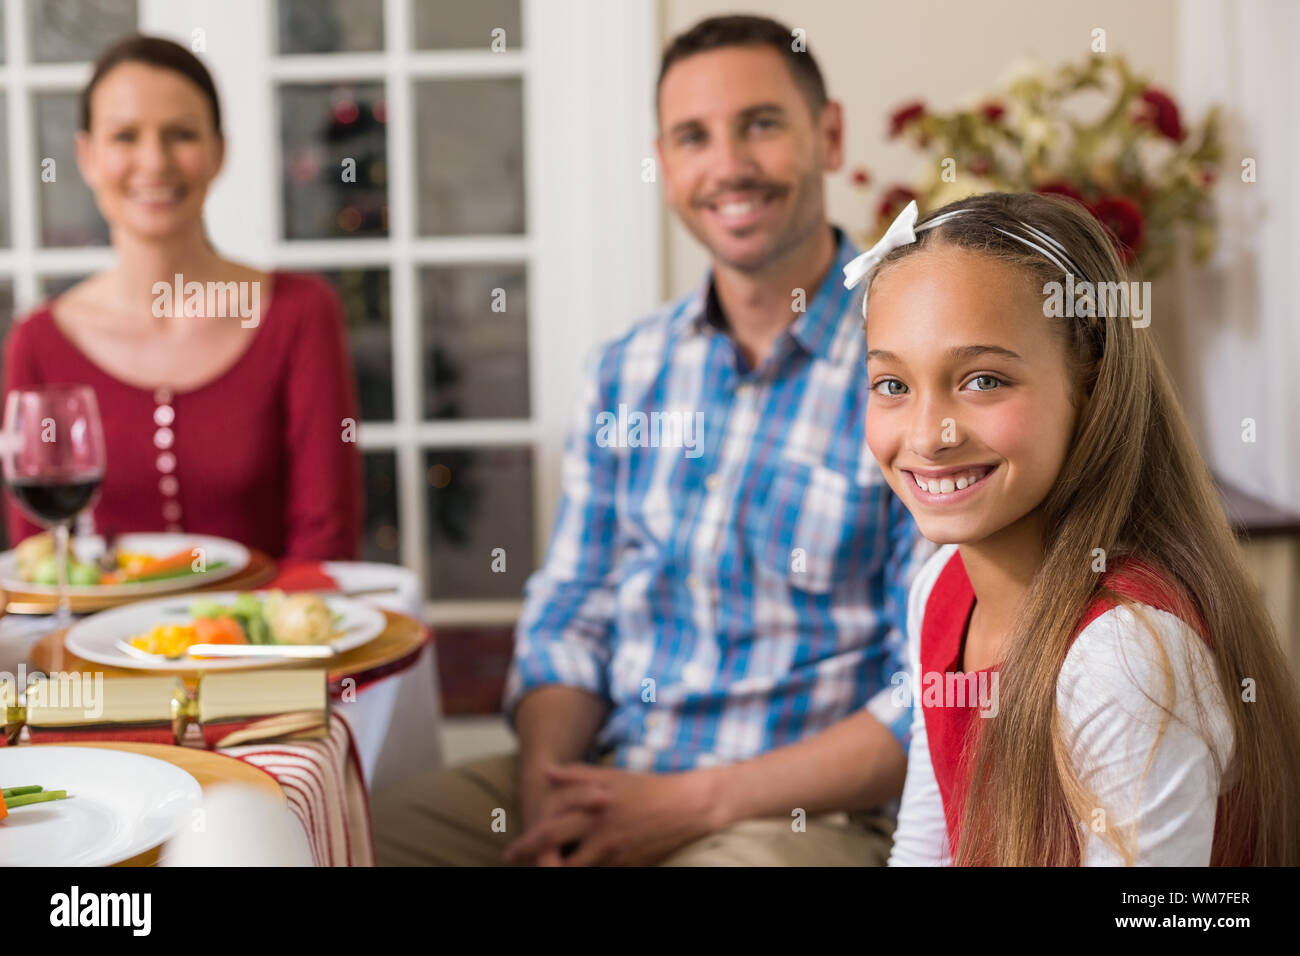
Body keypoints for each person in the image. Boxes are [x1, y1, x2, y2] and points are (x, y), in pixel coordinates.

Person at [373, 15, 931, 866]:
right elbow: (572, 611)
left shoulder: (908, 366)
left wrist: (686, 804)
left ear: (829, 134)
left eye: (762, 124)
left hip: (797, 815)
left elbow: (924, 694)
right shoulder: (627, 371)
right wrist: (548, 800)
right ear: (664, 163)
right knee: (342, 837)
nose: (728, 166)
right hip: (606, 775)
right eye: (693, 137)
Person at [851, 192, 1300, 865]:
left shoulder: (1123, 654)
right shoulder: (938, 590)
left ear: (1090, 391)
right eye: (892, 385)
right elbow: (926, 850)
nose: (927, 434)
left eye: (982, 380)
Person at [3, 34, 361, 560]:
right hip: (92, 644)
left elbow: (324, 538)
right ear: (87, 155)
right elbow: (39, 562)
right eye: (125, 136)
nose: (154, 161)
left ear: (219, 152)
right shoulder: (37, 342)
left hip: (265, 642)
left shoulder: (300, 313)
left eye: (181, 134)